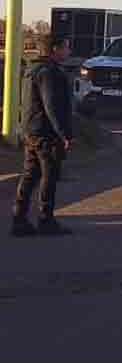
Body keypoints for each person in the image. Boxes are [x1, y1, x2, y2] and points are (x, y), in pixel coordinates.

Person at [12, 34, 74, 237]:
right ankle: (45, 220)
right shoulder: (49, 73)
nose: (69, 51)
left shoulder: (33, 69)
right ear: (55, 49)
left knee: (30, 174)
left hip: (31, 130)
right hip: (46, 132)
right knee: (49, 175)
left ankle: (19, 219)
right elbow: (52, 105)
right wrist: (63, 133)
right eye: (66, 47)